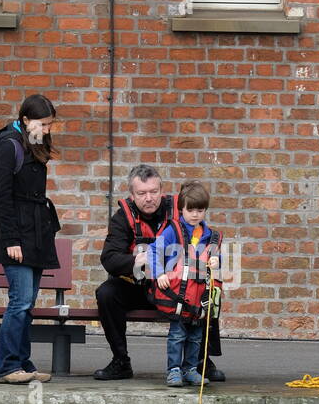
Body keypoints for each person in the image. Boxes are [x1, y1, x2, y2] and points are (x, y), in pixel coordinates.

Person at [93, 163, 225, 382]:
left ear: (161, 191)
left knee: (206, 291)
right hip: (141, 287)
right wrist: (140, 259)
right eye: (142, 193)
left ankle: (202, 362)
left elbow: (202, 239)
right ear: (132, 195)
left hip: (177, 287)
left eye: (154, 192)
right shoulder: (122, 217)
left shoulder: (182, 206)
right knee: (106, 293)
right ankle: (121, 361)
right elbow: (109, 258)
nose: (149, 198)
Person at [0, 94, 61, 384]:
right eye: (42, 124)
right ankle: (7, 366)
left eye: (49, 125)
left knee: (28, 304)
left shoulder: (33, 144)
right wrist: (11, 240)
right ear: (25, 120)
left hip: (36, 234)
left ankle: (23, 362)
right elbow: (3, 199)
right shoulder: (8, 146)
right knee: (19, 302)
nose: (46, 130)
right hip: (17, 236)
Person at [145, 180, 221, 387]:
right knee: (177, 335)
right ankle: (174, 370)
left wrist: (217, 260)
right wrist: (159, 273)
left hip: (199, 299)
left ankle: (190, 369)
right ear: (182, 209)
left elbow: (215, 260)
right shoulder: (173, 231)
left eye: (200, 210)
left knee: (196, 337)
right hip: (178, 296)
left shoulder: (210, 236)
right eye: (190, 210)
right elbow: (154, 251)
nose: (195, 214)